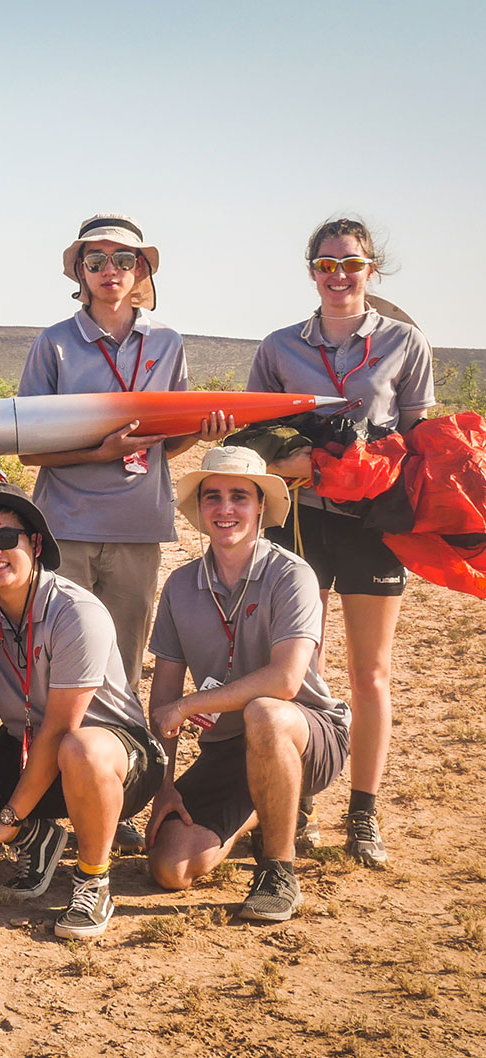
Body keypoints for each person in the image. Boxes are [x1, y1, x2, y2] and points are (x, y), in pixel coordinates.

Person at [247, 217, 434, 867]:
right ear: (312, 272)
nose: (339, 276)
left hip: (375, 524)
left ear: (371, 270)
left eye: (351, 264)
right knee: (302, 669)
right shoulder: (278, 347)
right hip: (301, 516)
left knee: (370, 672)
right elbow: (255, 440)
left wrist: (363, 459)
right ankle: (297, 807)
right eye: (327, 265)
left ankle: (365, 815)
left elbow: (420, 445)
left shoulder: (406, 344)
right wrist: (295, 463)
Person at [0, 483, 163, 939]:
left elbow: (61, 728)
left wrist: (6, 817)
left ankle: (92, 879)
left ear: (34, 543)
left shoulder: (77, 612)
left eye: (5, 539)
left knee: (80, 749)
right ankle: (36, 839)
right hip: (30, 748)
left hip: (112, 758)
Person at [18, 215, 230, 690]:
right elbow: (28, 453)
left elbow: (166, 444)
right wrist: (99, 453)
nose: (109, 270)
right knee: (56, 660)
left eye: (123, 259)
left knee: (123, 665)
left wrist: (202, 431)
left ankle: (120, 758)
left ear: (140, 270)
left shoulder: (168, 343)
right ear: (80, 273)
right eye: (95, 260)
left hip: (138, 527)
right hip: (63, 528)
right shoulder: (53, 344)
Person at [145, 447, 351, 921]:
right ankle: (269, 803)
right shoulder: (179, 585)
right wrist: (164, 784)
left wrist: (189, 705)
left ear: (261, 506)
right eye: (212, 497)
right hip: (227, 746)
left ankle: (278, 870)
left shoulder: (292, 574)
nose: (225, 509)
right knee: (169, 868)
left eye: (240, 496)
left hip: (306, 734)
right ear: (200, 510)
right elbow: (164, 695)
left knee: (266, 712)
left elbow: (285, 679)